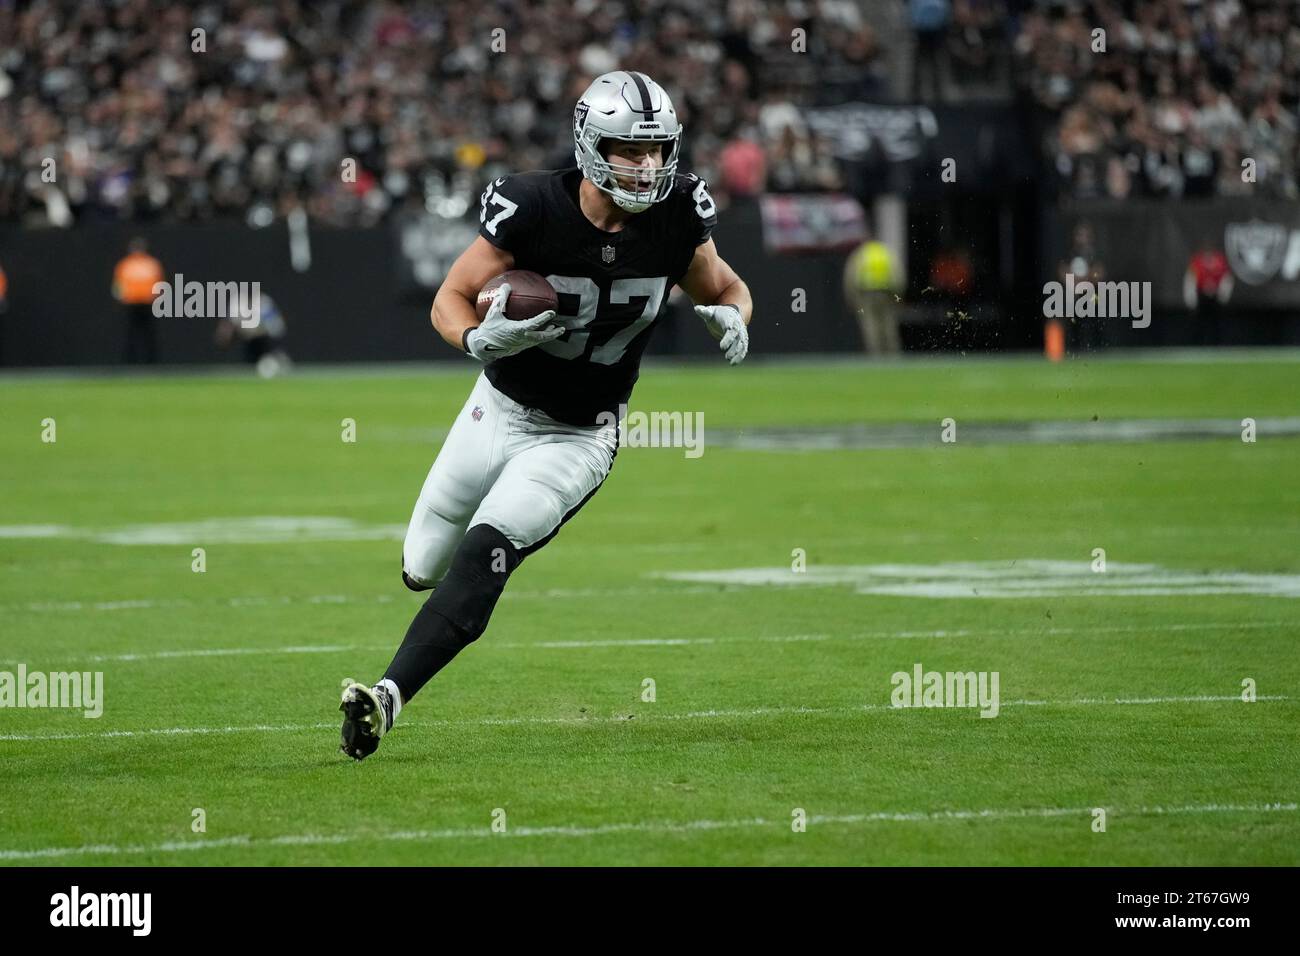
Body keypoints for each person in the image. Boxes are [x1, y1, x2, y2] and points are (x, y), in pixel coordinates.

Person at [338, 71, 753, 760]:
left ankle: (387, 695)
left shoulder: (680, 212)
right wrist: (473, 338)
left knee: (487, 553)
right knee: (422, 564)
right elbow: (452, 295)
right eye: (630, 149)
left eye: (657, 150)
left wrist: (735, 318)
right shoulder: (531, 205)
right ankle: (418, 603)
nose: (648, 167)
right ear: (591, 145)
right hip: (494, 409)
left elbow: (727, 285)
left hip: (578, 436)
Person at [843, 236, 904, 354]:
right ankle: (893, 355)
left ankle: (875, 355)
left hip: (866, 296)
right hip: (886, 295)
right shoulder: (886, 252)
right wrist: (898, 297)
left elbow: (850, 279)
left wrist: (852, 299)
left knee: (870, 326)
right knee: (889, 325)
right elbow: (898, 276)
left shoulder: (861, 254)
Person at [112, 238, 164, 364]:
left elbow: (159, 284)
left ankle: (149, 362)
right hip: (133, 303)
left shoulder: (149, 264)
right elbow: (118, 286)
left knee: (147, 334)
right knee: (133, 334)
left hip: (146, 302)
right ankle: (131, 362)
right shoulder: (127, 264)